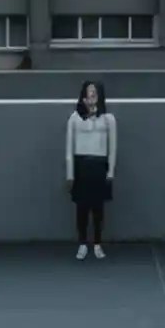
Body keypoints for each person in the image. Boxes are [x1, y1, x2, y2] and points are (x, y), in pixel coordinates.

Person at [65, 80, 116, 260]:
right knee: (82, 209)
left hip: (99, 165)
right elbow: (69, 149)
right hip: (82, 165)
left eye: (94, 92)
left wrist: (110, 172)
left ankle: (97, 243)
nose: (91, 95)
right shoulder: (74, 118)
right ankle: (82, 243)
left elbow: (112, 148)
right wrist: (70, 174)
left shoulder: (108, 119)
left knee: (98, 209)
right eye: (88, 92)